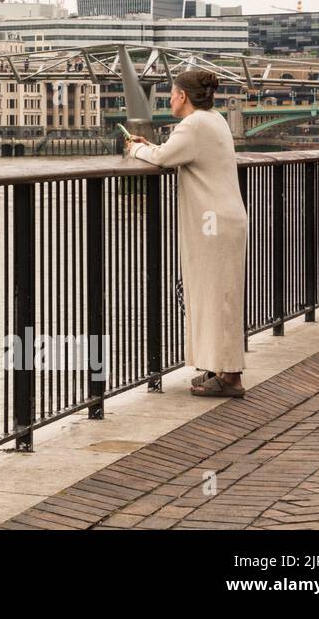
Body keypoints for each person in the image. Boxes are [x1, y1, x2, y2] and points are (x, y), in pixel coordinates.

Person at [125, 70, 248, 397]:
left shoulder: (193, 125)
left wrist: (136, 150)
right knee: (215, 295)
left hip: (214, 223)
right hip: (223, 220)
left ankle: (230, 378)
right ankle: (216, 368)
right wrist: (151, 145)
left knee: (218, 298)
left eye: (172, 93)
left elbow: (165, 157)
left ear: (182, 96)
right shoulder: (214, 120)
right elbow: (178, 150)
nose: (169, 99)